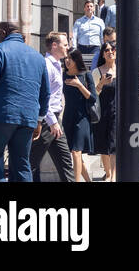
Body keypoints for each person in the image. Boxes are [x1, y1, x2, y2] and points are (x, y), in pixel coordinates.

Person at [0, 21, 49, 183]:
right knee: (21, 164)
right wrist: (39, 120)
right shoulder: (39, 58)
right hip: (28, 118)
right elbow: (45, 93)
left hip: (0, 115)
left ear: (2, 32)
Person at [30, 32, 75, 182]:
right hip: (46, 121)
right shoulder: (47, 66)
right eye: (65, 44)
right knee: (31, 163)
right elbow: (43, 97)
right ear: (54, 45)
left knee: (65, 162)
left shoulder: (57, 65)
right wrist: (52, 122)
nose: (68, 47)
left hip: (54, 119)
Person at [58, 48, 96, 182]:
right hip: (68, 117)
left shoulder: (86, 75)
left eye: (70, 58)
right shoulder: (62, 75)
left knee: (76, 151)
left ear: (77, 59)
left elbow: (93, 98)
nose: (67, 61)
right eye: (66, 58)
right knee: (75, 154)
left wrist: (79, 85)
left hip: (83, 117)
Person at [94, 41, 118, 180]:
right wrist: (101, 84)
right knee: (103, 145)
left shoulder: (121, 70)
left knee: (113, 144)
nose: (110, 52)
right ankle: (108, 173)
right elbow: (91, 95)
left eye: (112, 49)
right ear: (103, 54)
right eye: (107, 50)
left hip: (117, 112)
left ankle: (113, 176)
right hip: (102, 112)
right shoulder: (97, 72)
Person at [72, 0, 106, 67]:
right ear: (84, 9)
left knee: (94, 67)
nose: (89, 8)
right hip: (82, 48)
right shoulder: (78, 22)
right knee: (81, 68)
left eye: (91, 6)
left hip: (95, 48)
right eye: (87, 6)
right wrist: (74, 49)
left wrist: (104, 48)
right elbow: (74, 36)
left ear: (93, 8)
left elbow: (102, 36)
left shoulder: (100, 21)